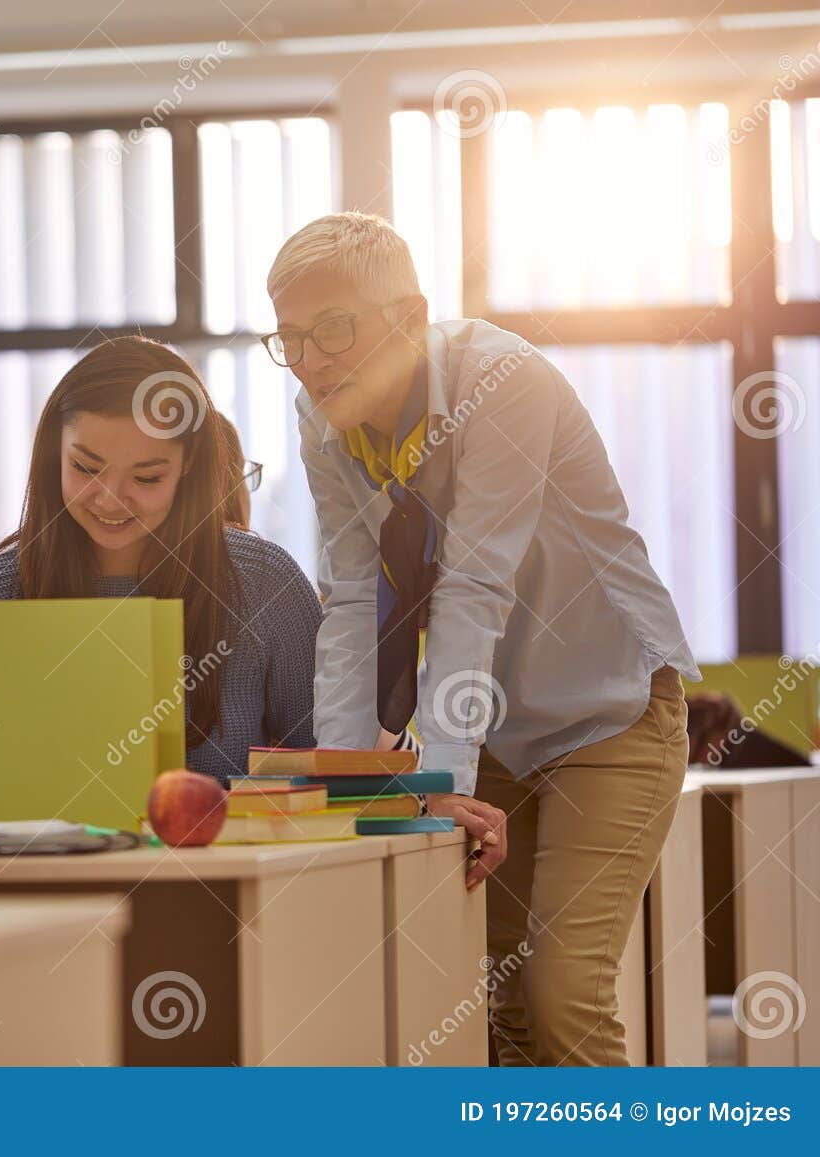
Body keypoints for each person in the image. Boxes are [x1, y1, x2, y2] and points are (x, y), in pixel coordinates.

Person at [269, 211, 697, 1065]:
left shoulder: (502, 380)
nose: (310, 361)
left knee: (561, 989)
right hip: (495, 721)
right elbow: (353, 598)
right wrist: (360, 789)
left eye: (333, 331)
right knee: (497, 996)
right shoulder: (325, 423)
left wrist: (432, 785)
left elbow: (472, 586)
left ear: (409, 317)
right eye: (290, 339)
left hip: (611, 712)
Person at [0, 336, 321, 781]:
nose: (110, 500)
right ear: (53, 454)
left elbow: (334, 774)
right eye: (85, 468)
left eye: (146, 477)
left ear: (188, 465)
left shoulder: (265, 584)